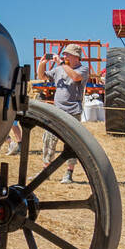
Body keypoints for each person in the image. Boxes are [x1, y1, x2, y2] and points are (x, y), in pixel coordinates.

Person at [50, 45, 89, 181]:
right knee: (49, 139)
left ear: (76, 57)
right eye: (64, 55)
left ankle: (69, 173)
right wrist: (42, 63)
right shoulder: (59, 69)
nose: (65, 57)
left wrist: (61, 63)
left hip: (73, 111)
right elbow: (41, 76)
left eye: (67, 55)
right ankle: (46, 170)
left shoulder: (83, 69)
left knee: (71, 143)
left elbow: (75, 77)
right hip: (57, 111)